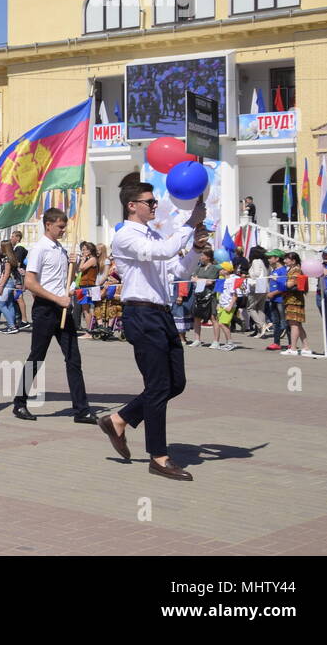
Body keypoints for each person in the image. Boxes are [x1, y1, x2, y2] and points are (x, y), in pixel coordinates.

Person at [97, 175, 206, 481]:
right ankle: (158, 456)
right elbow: (165, 253)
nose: (155, 205)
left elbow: (177, 269)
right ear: (132, 206)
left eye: (154, 201)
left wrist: (195, 248)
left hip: (162, 314)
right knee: (158, 386)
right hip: (141, 314)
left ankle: (119, 419)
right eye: (150, 202)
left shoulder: (153, 235)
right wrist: (188, 224)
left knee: (176, 383)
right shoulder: (125, 237)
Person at [13, 209, 95, 424]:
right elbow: (30, 283)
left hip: (63, 309)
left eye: (64, 226)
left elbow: (65, 281)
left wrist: (75, 265)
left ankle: (81, 409)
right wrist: (56, 299)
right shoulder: (39, 249)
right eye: (60, 226)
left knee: (73, 359)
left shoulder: (60, 249)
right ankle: (20, 402)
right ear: (48, 225)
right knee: (37, 356)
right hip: (45, 309)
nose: (63, 230)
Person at [281, 252, 308, 356]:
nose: (285, 261)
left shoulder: (296, 270)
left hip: (294, 300)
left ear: (293, 260)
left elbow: (290, 284)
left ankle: (293, 348)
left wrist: (280, 281)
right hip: (292, 299)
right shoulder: (292, 269)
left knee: (293, 324)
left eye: (287, 259)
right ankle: (306, 347)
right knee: (298, 324)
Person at [245, 246, 269, 338]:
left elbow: (256, 274)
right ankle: (261, 332)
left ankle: (261, 325)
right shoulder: (265, 262)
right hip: (265, 286)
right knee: (260, 308)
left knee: (250, 308)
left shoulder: (256, 261)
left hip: (257, 286)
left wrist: (249, 275)